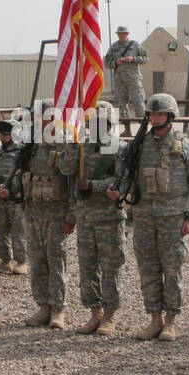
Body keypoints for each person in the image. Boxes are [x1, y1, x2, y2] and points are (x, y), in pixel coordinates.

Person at [108, 92, 189, 341]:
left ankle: (171, 321)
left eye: (159, 113)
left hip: (173, 217)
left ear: (170, 116)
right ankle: (154, 319)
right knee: (148, 269)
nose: (155, 118)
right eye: (152, 114)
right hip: (144, 216)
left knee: (171, 269)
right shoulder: (139, 145)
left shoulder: (184, 146)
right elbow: (125, 171)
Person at [7, 101, 73, 329]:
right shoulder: (30, 144)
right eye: (36, 117)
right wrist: (11, 187)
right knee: (37, 260)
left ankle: (58, 308)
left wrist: (70, 216)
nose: (39, 121)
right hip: (33, 210)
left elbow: (71, 181)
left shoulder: (65, 143)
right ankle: (43, 305)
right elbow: (21, 173)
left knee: (56, 260)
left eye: (43, 117)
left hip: (56, 212)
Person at [65, 101, 125, 336]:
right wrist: (71, 146)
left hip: (109, 217)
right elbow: (67, 172)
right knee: (88, 267)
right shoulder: (83, 146)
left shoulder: (119, 147)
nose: (98, 126)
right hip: (86, 217)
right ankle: (95, 312)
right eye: (94, 121)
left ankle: (110, 315)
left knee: (111, 267)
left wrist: (93, 186)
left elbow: (122, 180)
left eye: (102, 121)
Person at [0, 119, 29, 274]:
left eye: (6, 135)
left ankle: (22, 261)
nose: (2, 138)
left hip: (15, 199)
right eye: (1, 134)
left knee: (18, 230)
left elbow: (25, 177)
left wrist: (13, 192)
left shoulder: (21, 153)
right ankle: (5, 260)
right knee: (1, 230)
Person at [104, 27, 148, 119]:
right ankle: (126, 128)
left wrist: (133, 59)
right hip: (119, 81)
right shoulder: (113, 47)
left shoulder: (135, 45)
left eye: (123, 33)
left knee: (138, 103)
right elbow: (107, 63)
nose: (121, 35)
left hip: (133, 80)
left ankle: (143, 128)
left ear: (127, 34)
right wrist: (115, 63)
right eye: (119, 33)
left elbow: (146, 59)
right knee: (121, 105)